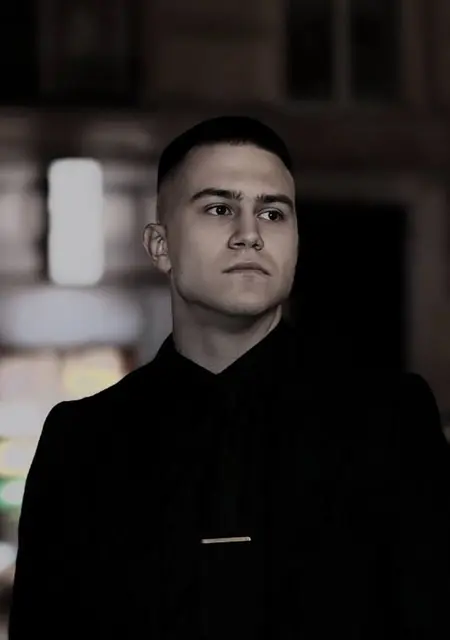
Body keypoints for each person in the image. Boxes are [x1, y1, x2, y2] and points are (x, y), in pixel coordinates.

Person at [9, 116, 450, 639]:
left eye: (272, 213)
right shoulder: (81, 441)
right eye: (220, 209)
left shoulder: (389, 420)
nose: (250, 235)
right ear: (160, 245)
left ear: (296, 242)